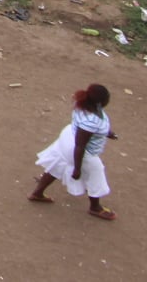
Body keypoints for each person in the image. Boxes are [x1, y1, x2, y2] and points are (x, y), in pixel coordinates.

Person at [29, 84, 116, 220]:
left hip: (68, 137)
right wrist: (77, 168)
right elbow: (80, 145)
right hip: (79, 149)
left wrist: (106, 132)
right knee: (96, 175)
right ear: (101, 102)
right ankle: (95, 208)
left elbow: (91, 130)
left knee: (57, 165)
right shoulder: (91, 120)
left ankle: (37, 193)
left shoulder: (85, 105)